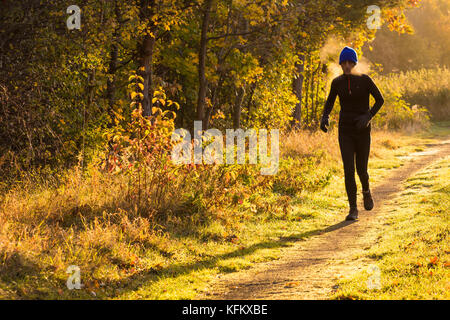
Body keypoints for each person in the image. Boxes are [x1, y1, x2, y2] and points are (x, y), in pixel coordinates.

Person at [320, 46, 384, 221]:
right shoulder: (337, 82)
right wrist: (324, 118)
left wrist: (368, 116)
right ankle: (353, 209)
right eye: (344, 63)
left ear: (354, 63)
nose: (346, 66)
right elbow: (330, 103)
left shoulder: (364, 80)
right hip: (345, 131)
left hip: (363, 131)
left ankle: (366, 190)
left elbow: (380, 99)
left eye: (350, 63)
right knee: (349, 170)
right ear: (340, 64)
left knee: (361, 170)